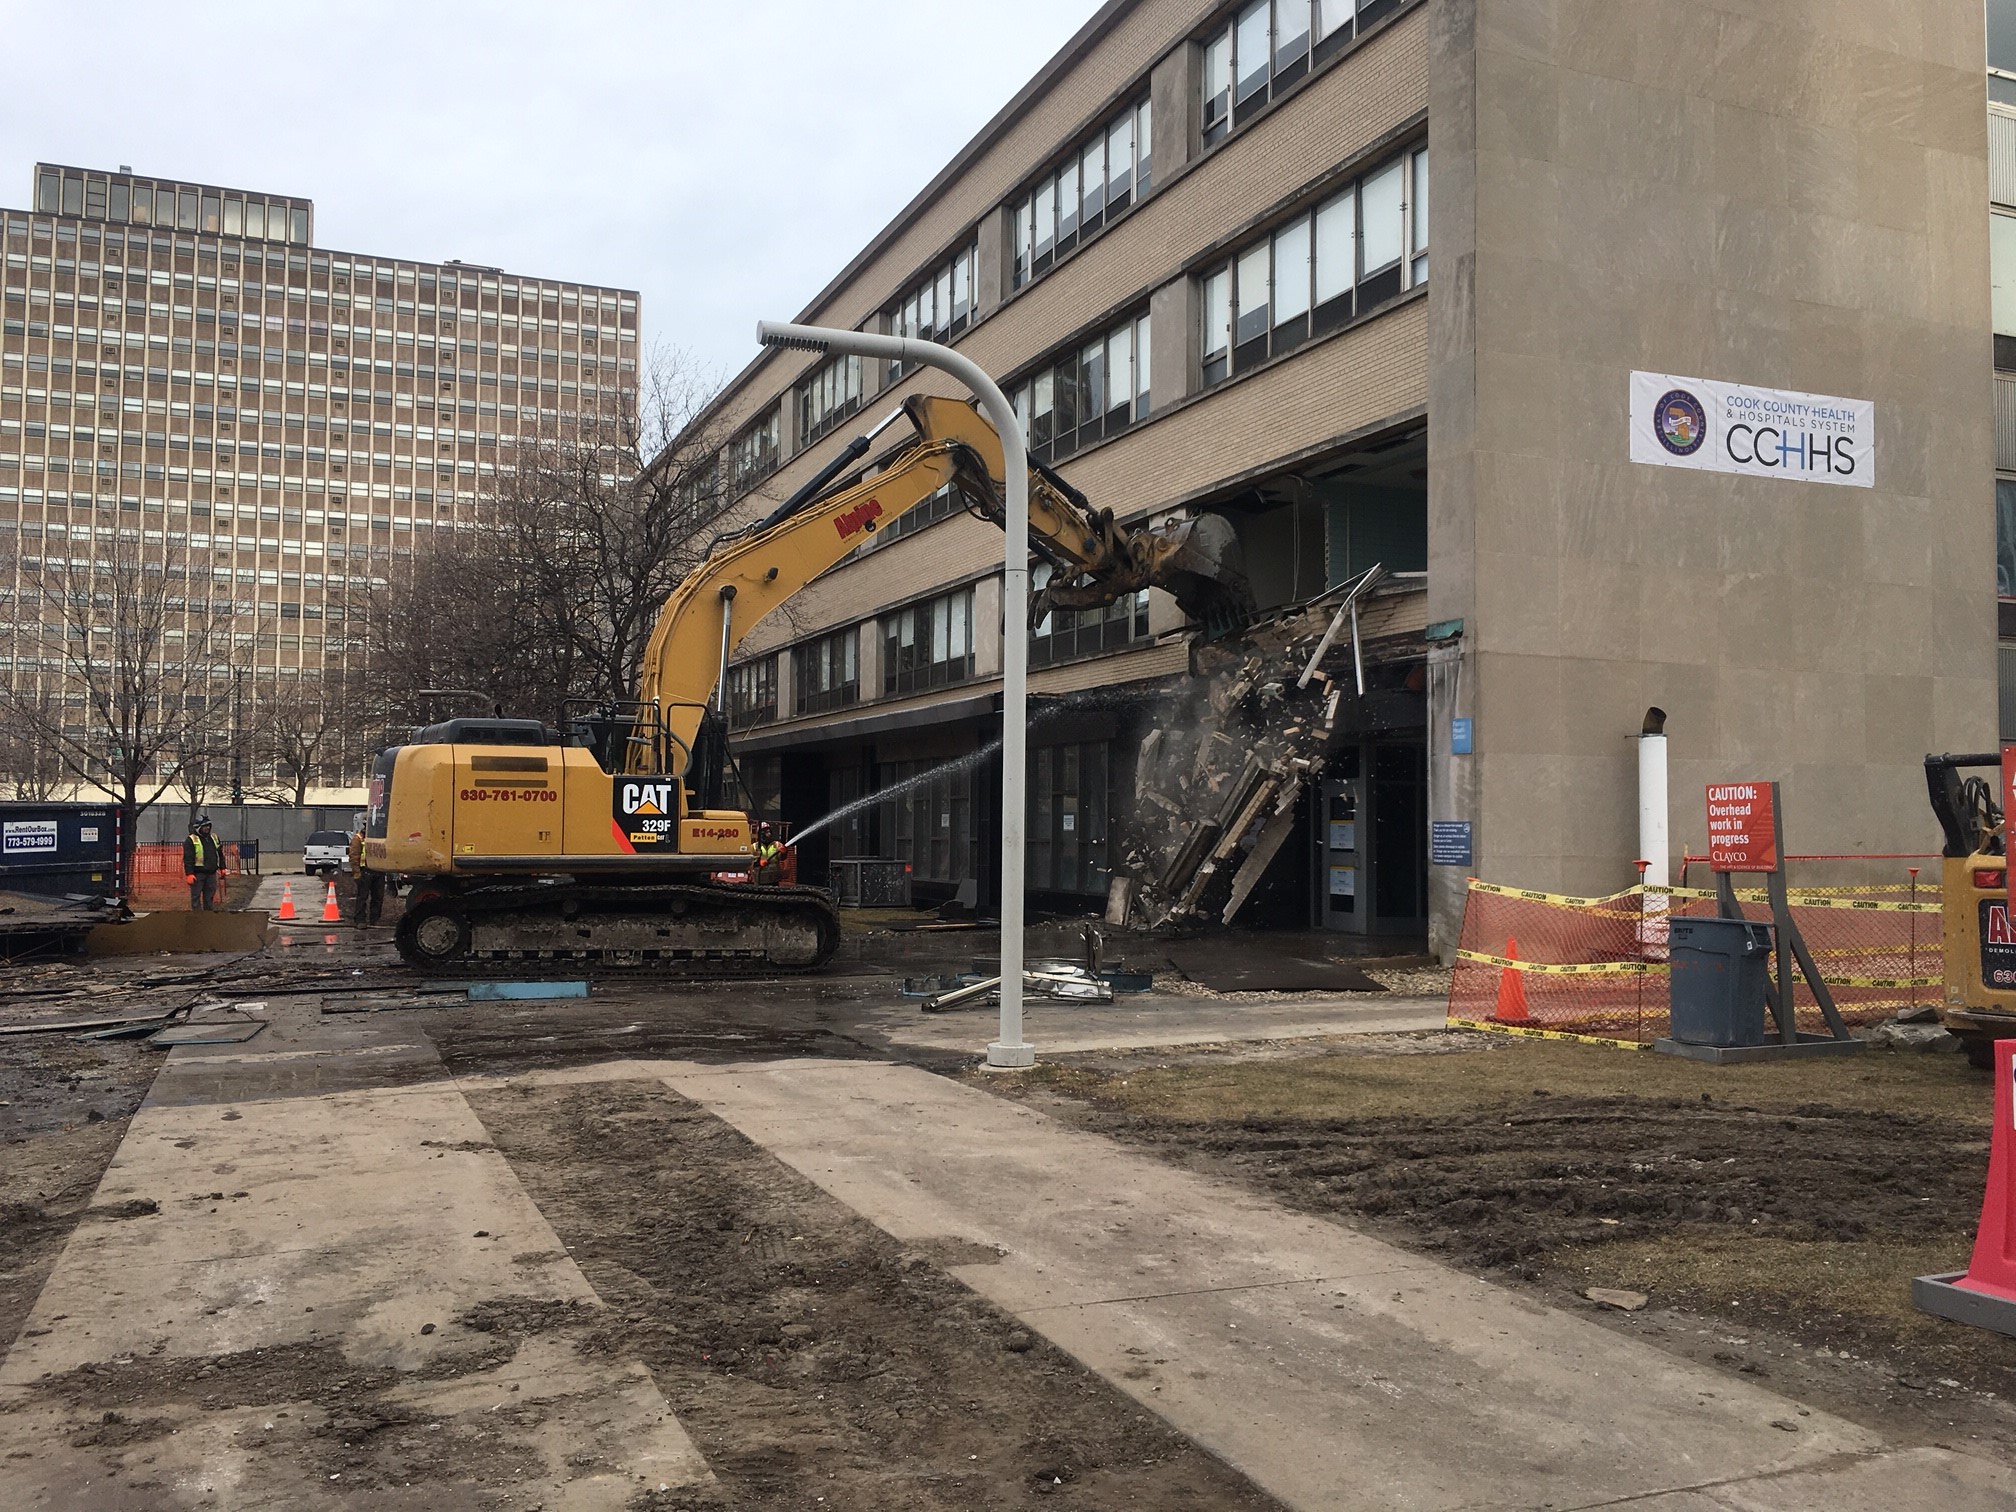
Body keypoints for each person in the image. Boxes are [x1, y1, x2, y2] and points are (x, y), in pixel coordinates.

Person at [184, 815, 223, 911]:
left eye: (208, 825)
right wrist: (189, 873)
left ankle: (208, 918)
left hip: (211, 874)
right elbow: (188, 858)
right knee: (196, 898)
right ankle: (197, 919)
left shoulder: (214, 838)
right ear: (198, 827)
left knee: (209, 898)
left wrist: (222, 867)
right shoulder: (191, 840)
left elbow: (220, 854)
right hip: (198, 874)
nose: (208, 828)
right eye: (205, 826)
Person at [347, 830, 385, 925]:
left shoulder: (380, 837)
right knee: (362, 897)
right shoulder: (358, 838)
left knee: (378, 898)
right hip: (365, 872)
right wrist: (356, 873)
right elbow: (354, 856)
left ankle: (375, 920)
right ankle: (360, 920)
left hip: (379, 871)